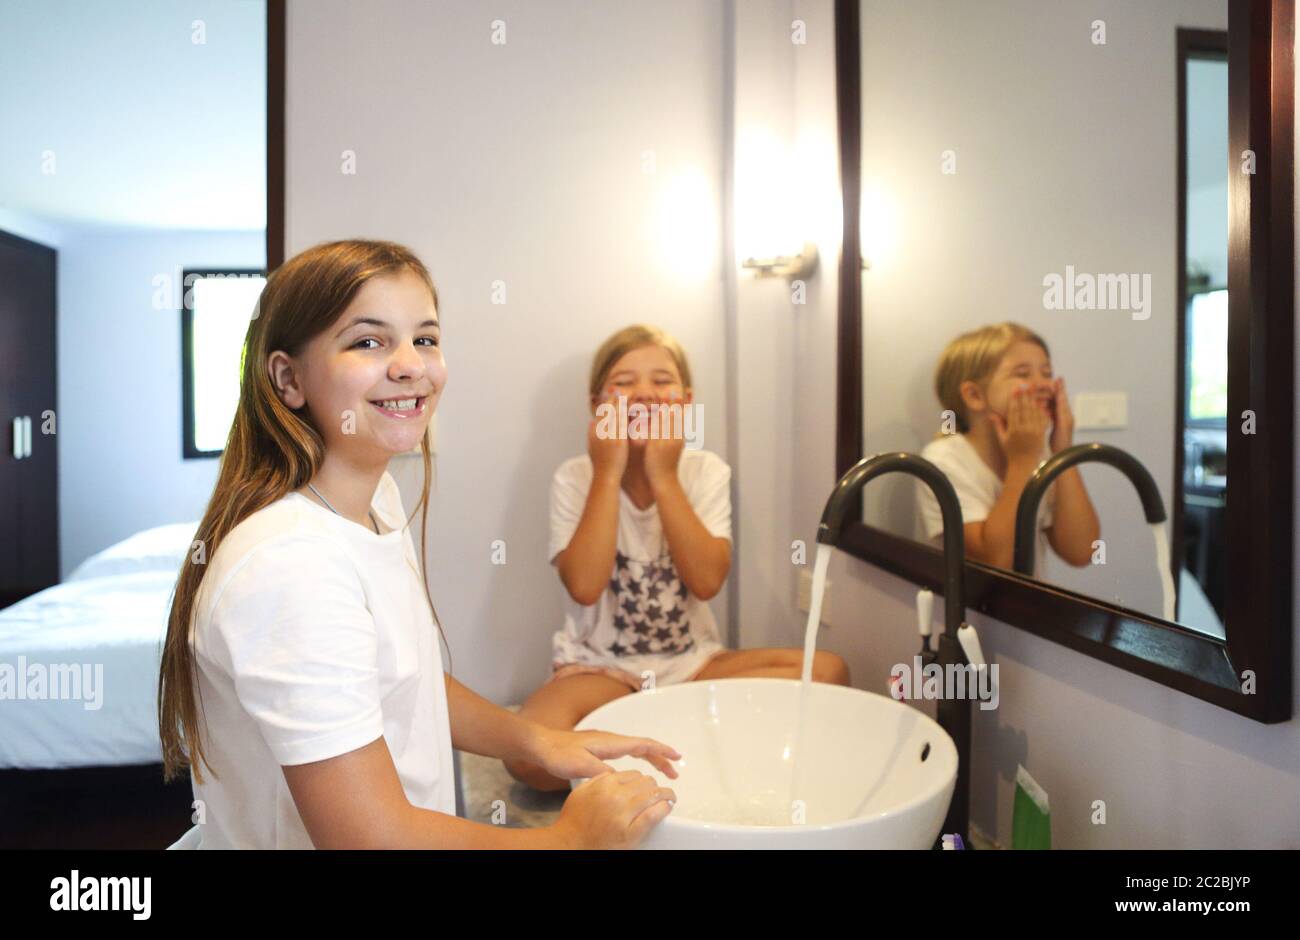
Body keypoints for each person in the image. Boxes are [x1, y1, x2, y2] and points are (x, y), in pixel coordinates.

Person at [158, 240, 677, 849]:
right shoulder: (289, 566)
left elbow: (408, 679)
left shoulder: (376, 502)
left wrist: (538, 740)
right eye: (368, 341)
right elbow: (369, 838)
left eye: (425, 338)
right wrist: (568, 840)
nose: (411, 365)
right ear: (288, 378)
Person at [505, 324, 850, 792]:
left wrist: (663, 476)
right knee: (527, 760)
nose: (644, 393)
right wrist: (608, 472)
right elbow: (584, 585)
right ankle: (687, 742)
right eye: (624, 383)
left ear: (685, 400)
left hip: (692, 665)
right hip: (602, 668)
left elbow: (706, 581)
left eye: (662, 381)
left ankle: (656, 739)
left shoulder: (705, 470)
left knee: (828, 671)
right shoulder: (575, 476)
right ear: (597, 404)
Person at [917, 321, 1100, 573]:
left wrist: (1062, 452)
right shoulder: (943, 461)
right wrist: (1023, 462)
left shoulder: (1039, 452)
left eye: (1047, 373)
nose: (1044, 385)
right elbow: (997, 563)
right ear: (974, 396)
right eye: (1023, 374)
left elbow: (1082, 551)